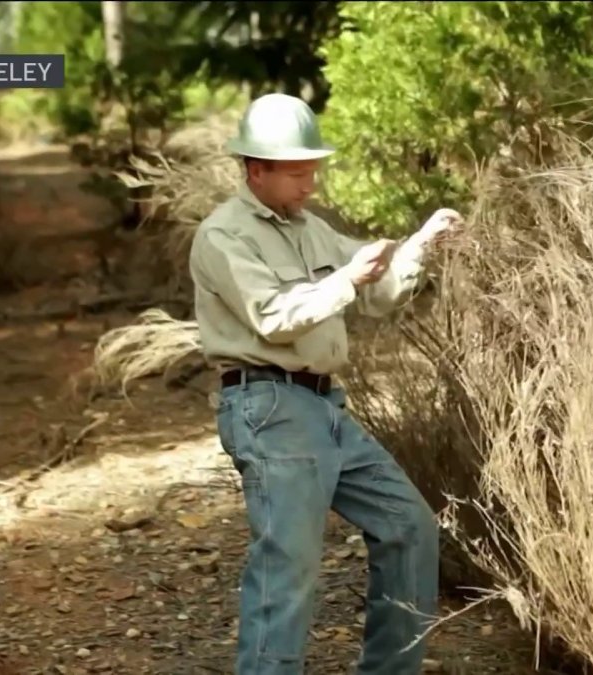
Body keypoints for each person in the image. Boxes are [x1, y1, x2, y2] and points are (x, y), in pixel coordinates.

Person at [188, 93, 462, 675]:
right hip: (268, 407)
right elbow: (274, 316)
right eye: (296, 173)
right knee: (287, 566)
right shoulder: (223, 238)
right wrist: (346, 278)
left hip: (325, 409)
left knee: (408, 528)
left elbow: (379, 288)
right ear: (254, 169)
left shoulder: (310, 229)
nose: (309, 184)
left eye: (312, 170)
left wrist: (420, 246)